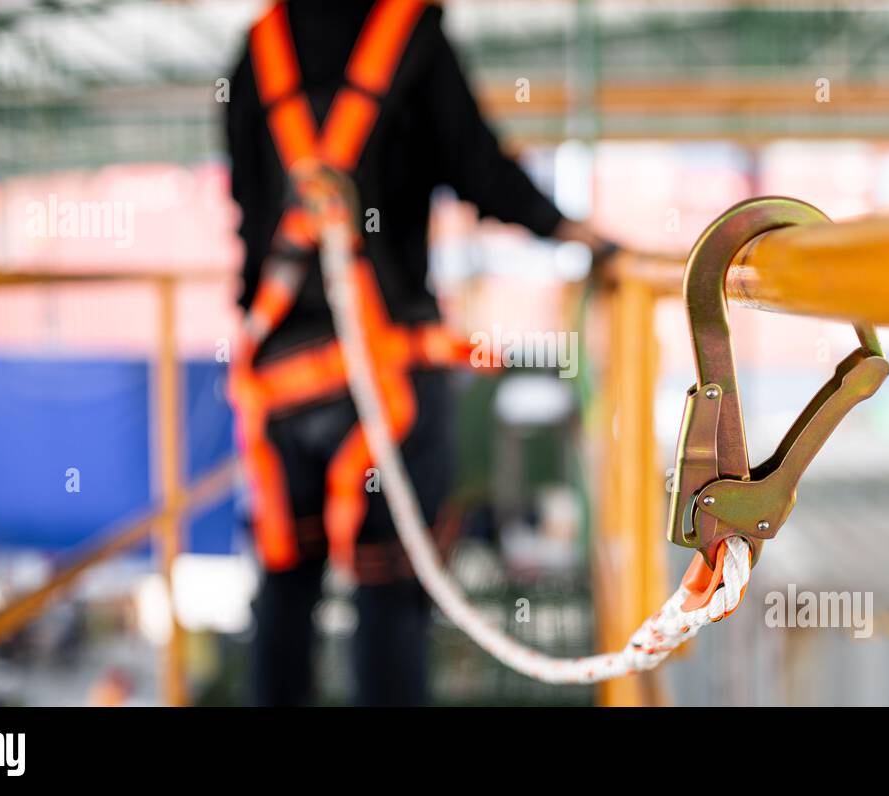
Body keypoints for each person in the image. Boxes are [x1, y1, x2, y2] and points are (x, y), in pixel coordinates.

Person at [225, 0, 614, 706]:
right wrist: (574, 232)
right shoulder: (410, 37)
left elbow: (248, 207)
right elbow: (479, 168)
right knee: (389, 595)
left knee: (286, 588)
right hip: (385, 384)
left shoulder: (258, 50)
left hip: (282, 383)